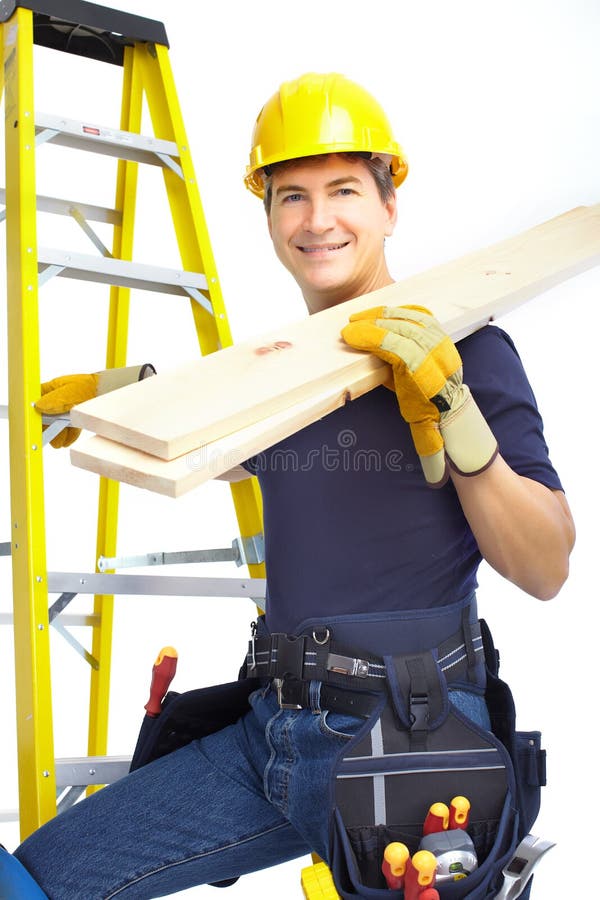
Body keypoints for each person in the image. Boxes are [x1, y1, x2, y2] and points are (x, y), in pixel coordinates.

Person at [2, 72, 574, 899]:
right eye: (291, 196)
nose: (317, 220)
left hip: (414, 738)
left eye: (343, 190)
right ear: (268, 216)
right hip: (273, 736)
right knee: (41, 881)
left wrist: (456, 414)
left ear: (388, 205)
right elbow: (228, 441)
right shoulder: (285, 376)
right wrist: (132, 392)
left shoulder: (471, 354)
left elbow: (547, 567)